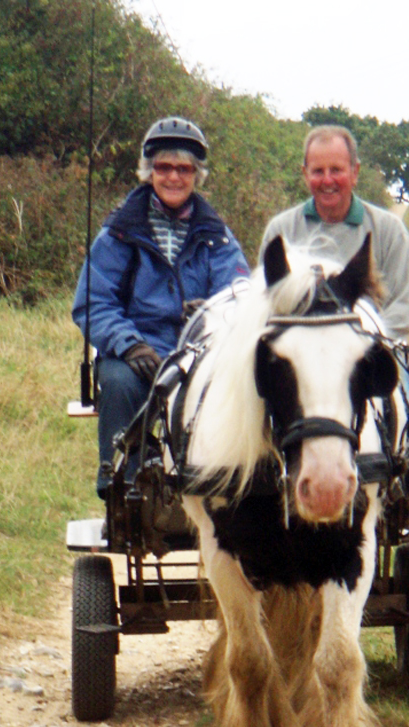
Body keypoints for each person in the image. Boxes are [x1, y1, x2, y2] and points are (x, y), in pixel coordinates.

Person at [72, 116, 250, 496]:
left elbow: (240, 296)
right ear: (149, 171)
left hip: (200, 353)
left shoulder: (218, 237)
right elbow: (92, 302)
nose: (173, 177)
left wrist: (209, 316)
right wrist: (129, 343)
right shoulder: (118, 232)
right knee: (118, 382)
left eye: (183, 168)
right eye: (164, 167)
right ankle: (122, 484)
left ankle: (223, 482)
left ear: (196, 174)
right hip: (137, 354)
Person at [259, 125, 409, 340]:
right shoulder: (279, 232)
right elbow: (264, 304)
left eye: (336, 170)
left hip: (371, 356)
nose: (327, 180)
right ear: (305, 175)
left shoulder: (391, 232)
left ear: (355, 172)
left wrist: (356, 345)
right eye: (318, 171)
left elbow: (402, 310)